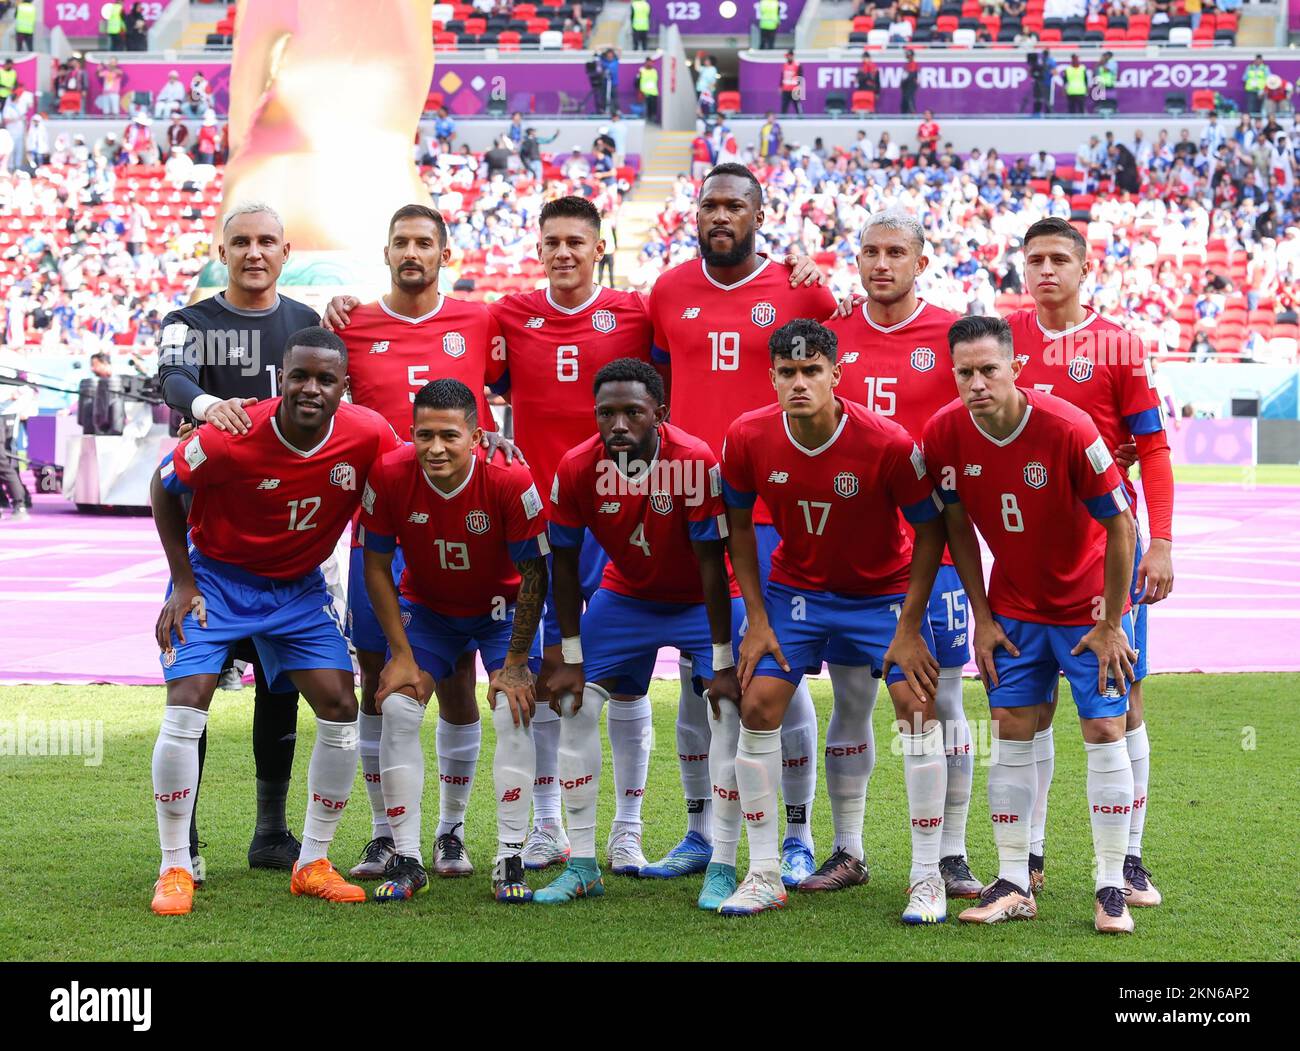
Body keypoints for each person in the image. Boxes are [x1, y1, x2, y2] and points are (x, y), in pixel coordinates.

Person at [147, 328, 401, 916]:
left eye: (325, 379)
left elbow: (414, 465)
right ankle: (174, 866)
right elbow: (163, 487)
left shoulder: (368, 433)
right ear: (280, 378)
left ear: (344, 386)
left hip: (296, 588)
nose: (311, 388)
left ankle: (312, 860)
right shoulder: (231, 434)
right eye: (300, 376)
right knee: (187, 702)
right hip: (215, 579)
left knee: (340, 704)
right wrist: (183, 581)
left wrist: (484, 439)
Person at [716, 318, 947, 919]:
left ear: (836, 375)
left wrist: (909, 625)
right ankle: (765, 872)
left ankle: (927, 877)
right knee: (758, 704)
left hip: (883, 595)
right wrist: (758, 618)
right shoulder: (746, 436)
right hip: (798, 592)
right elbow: (739, 529)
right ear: (770, 377)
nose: (799, 382)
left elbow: (930, 531)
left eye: (811, 371)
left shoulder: (888, 442)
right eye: (787, 372)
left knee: (917, 711)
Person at [646, 164, 836, 887]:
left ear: (760, 211)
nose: (719, 215)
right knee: (698, 674)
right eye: (708, 204)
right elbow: (654, 389)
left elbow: (833, 376)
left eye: (734, 204)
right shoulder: (666, 291)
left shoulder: (803, 287)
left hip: (774, 509)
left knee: (774, 669)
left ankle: (796, 832)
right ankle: (699, 827)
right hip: (690, 504)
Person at [923, 315, 1140, 934]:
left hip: (1087, 608)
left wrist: (1111, 620)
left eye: (989, 369)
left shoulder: (1069, 427)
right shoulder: (944, 433)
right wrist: (983, 618)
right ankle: (1015, 880)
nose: (976, 383)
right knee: (1011, 729)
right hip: (1014, 607)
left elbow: (1121, 526)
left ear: (1016, 368)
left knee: (1103, 727)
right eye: (964, 372)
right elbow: (955, 527)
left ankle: (1109, 885)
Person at [320, 204, 512, 880]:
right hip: (382, 531)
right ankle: (384, 832)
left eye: (424, 242)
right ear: (385, 250)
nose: (412, 251)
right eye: (401, 240)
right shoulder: (349, 325)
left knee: (458, 679)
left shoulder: (482, 318)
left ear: (444, 252)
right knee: (383, 680)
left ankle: (452, 832)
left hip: (465, 529)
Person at [1008, 217, 1174, 907]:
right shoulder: (1004, 340)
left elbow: (1154, 448)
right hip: (1024, 552)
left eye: (1058, 259)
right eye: (1034, 259)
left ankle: (1129, 858)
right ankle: (1032, 853)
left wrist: (1160, 539)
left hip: (1109, 550)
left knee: (1121, 701)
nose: (1045, 270)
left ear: (1084, 268)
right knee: (1029, 707)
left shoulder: (1119, 344)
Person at [156, 202, 322, 881]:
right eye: (241, 242)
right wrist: (204, 408)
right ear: (221, 251)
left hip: (289, 542)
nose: (254, 252)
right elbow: (171, 379)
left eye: (266, 242)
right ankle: (184, 844)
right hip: (210, 545)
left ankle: (270, 830)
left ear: (286, 251)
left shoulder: (308, 325)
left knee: (280, 690)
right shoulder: (186, 322)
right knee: (188, 688)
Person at [541, 358, 743, 904]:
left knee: (727, 709)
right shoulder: (578, 466)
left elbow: (710, 563)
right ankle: (582, 863)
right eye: (606, 413)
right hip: (626, 596)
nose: (619, 425)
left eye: (633, 412)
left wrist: (722, 658)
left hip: (703, 600)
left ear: (661, 413)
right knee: (572, 704)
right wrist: (569, 651)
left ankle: (723, 861)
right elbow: (560, 563)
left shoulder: (694, 460)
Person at [823, 210, 981, 900]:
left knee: (942, 697)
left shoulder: (954, 336)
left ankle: (951, 853)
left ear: (921, 260)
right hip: (852, 549)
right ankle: (849, 847)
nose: (881, 263)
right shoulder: (832, 337)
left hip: (934, 546)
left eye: (895, 252)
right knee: (853, 695)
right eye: (869, 251)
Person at [359, 379, 549, 903]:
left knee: (513, 708)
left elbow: (536, 573)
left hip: (500, 612)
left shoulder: (511, 479)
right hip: (429, 611)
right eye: (424, 435)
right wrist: (400, 654)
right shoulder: (390, 473)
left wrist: (513, 663)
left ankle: (508, 856)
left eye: (449, 435)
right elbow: (374, 565)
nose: (435, 448)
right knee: (397, 708)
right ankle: (408, 856)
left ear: (476, 435)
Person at [779, 51, 802, 116]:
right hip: (785, 89)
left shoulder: (797, 65)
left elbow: (800, 77)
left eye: (789, 56)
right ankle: (783, 118)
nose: (788, 57)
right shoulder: (785, 65)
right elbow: (782, 76)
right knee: (784, 105)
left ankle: (800, 118)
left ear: (792, 56)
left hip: (794, 89)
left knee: (797, 105)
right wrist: (780, 87)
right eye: (787, 56)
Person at [637, 59, 659, 124]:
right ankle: (646, 119)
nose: (649, 64)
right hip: (644, 92)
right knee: (645, 107)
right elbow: (637, 81)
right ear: (645, 63)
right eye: (648, 62)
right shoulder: (641, 70)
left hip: (653, 92)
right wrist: (640, 90)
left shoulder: (654, 71)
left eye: (651, 63)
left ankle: (652, 119)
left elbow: (656, 80)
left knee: (653, 107)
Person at [900, 48, 919, 115]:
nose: (908, 57)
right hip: (906, 85)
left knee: (910, 99)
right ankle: (904, 114)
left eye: (909, 55)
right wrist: (902, 83)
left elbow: (912, 75)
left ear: (912, 56)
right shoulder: (907, 64)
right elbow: (905, 75)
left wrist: (904, 81)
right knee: (905, 101)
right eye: (907, 55)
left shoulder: (914, 64)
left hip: (911, 84)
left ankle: (913, 113)